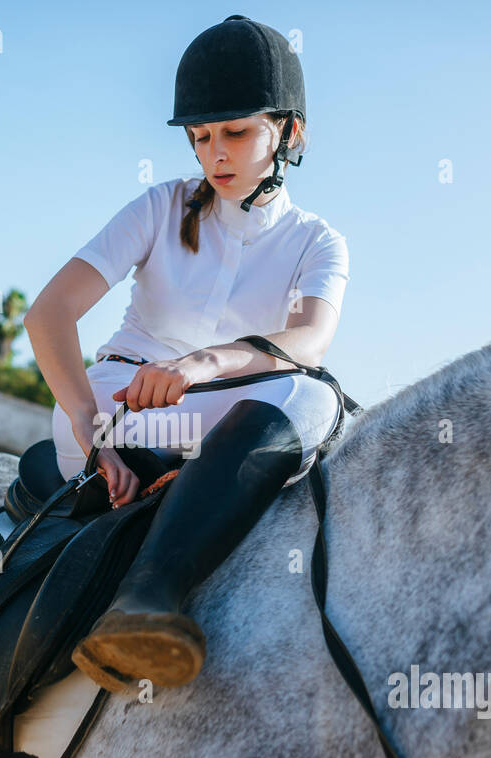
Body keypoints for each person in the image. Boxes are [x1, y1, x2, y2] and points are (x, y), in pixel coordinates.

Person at [24, 15, 349, 694]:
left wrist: (201, 364)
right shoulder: (159, 206)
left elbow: (308, 340)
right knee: (305, 395)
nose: (215, 155)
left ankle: (158, 573)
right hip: (115, 409)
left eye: (235, 132)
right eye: (201, 138)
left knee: (313, 390)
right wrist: (88, 432)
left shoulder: (319, 242)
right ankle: (148, 599)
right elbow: (48, 314)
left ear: (287, 132)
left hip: (220, 414)